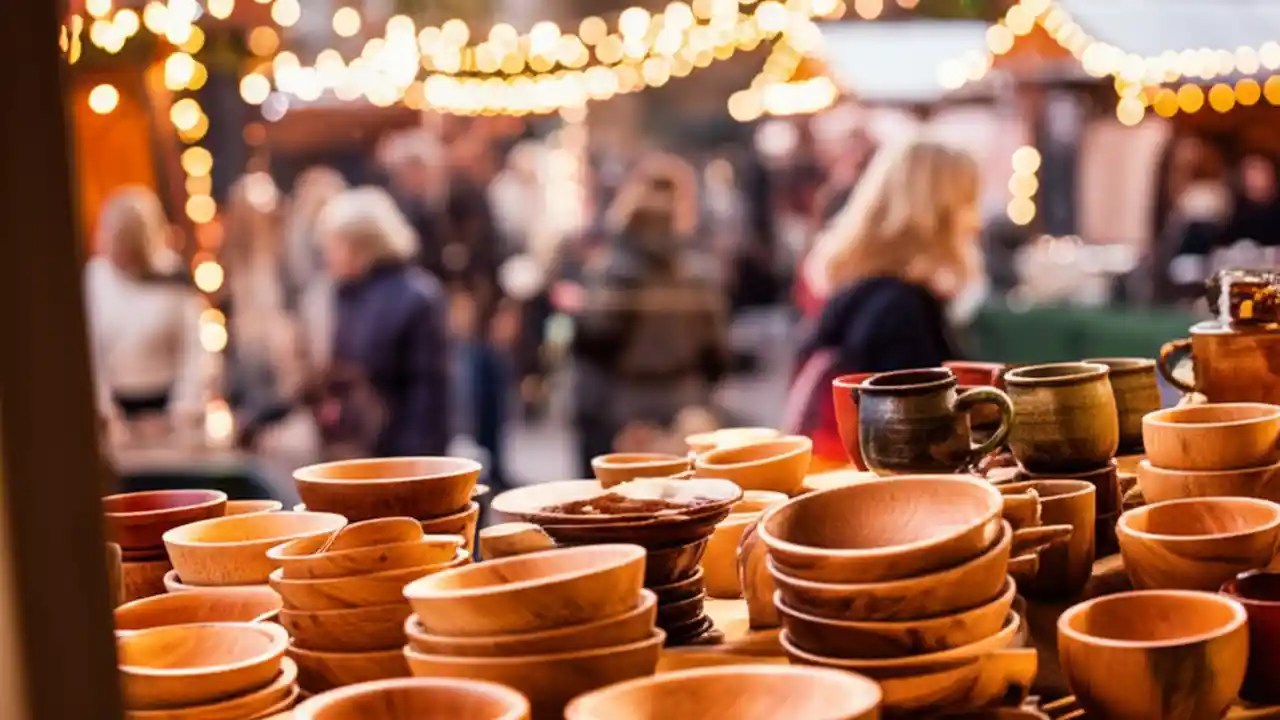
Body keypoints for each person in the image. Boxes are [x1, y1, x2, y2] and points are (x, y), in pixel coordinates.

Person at [786, 139, 983, 465]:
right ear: (940, 213)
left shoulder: (857, 296)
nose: (976, 220)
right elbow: (923, 435)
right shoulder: (902, 310)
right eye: (969, 202)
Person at [569, 154, 731, 474]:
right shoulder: (696, 274)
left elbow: (595, 341)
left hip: (620, 412)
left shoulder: (610, 269)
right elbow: (716, 356)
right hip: (685, 412)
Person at [315, 186, 450, 457]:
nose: (328, 256)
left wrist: (414, 461)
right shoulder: (346, 295)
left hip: (403, 449)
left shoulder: (417, 297)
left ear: (361, 245)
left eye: (334, 245)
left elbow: (427, 391)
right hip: (361, 447)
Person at [84, 186, 205, 434]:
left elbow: (195, 349)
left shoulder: (172, 275)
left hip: (170, 412)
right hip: (116, 414)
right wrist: (106, 411)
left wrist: (183, 407)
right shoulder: (96, 278)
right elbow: (90, 350)